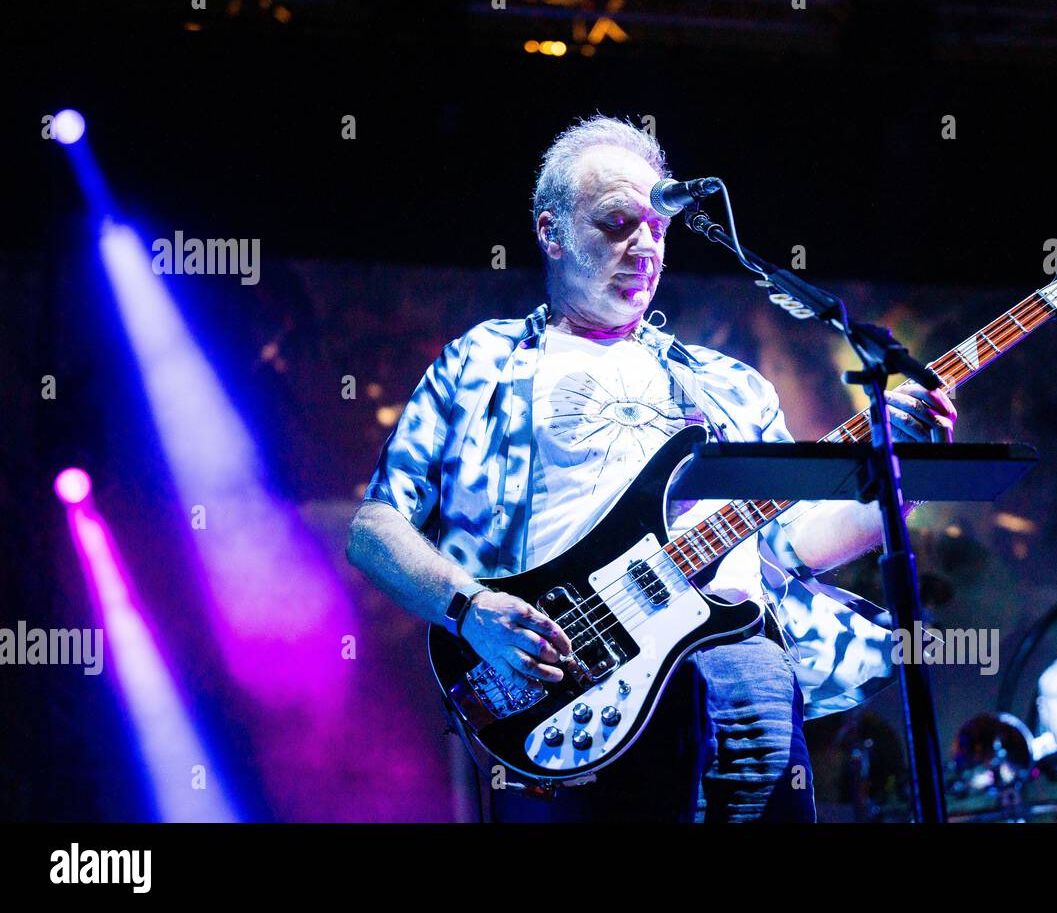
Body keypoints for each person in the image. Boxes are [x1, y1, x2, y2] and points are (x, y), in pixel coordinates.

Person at [346, 115, 956, 821]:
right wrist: (469, 608)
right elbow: (374, 528)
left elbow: (792, 546)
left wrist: (894, 476)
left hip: (745, 676)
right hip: (575, 688)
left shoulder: (729, 385)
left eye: (659, 226)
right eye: (616, 222)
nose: (644, 246)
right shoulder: (480, 363)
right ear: (552, 231)